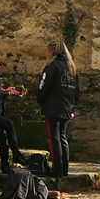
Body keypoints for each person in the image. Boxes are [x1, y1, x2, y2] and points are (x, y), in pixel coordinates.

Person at [36, 39, 80, 177]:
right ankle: (64, 169)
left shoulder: (52, 66)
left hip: (53, 106)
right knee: (62, 136)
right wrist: (73, 107)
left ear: (52, 51)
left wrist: (40, 100)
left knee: (54, 137)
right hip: (67, 106)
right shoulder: (72, 67)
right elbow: (77, 91)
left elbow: (44, 85)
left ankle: (57, 170)